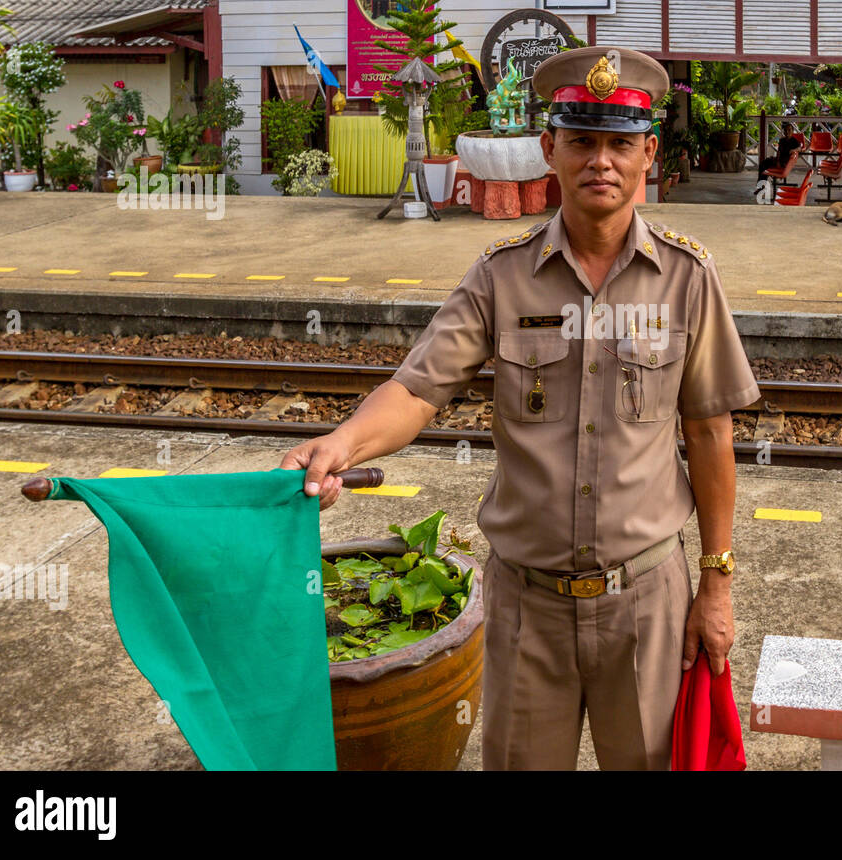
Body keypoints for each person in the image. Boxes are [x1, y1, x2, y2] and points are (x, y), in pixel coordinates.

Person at [281, 46, 760, 770]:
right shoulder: (500, 275)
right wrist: (341, 444)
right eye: (582, 141)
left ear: (648, 154)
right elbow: (417, 389)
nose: (602, 161)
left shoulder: (687, 277)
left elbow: (709, 429)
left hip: (648, 604)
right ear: (549, 149)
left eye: (620, 144)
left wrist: (717, 582)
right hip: (526, 608)